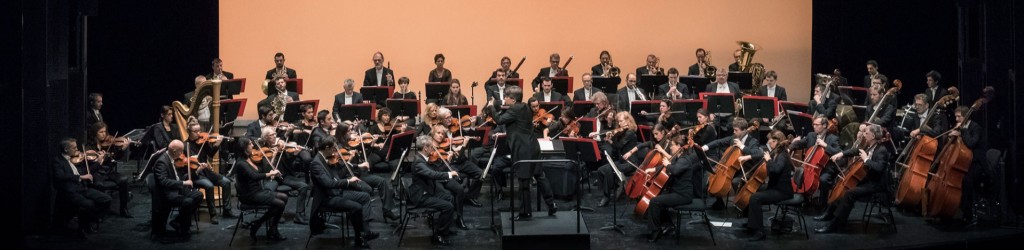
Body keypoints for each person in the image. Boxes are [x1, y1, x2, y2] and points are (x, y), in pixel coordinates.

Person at [816, 124, 892, 233]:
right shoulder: (869, 145)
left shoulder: (882, 150)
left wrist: (866, 160)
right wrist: (840, 154)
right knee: (843, 187)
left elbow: (879, 168)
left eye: (866, 133)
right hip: (867, 180)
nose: (863, 135)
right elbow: (856, 151)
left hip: (876, 184)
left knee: (849, 193)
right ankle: (829, 215)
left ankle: (835, 224)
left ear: (873, 136)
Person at [497, 85, 557, 220]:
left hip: (523, 150)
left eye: (506, 97)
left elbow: (499, 120)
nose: (504, 99)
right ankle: (551, 203)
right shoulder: (524, 107)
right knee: (540, 175)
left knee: (524, 182)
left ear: (512, 99)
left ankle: (525, 212)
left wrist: (490, 107)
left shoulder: (514, 108)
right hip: (533, 146)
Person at [308, 136, 379, 248]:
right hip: (327, 198)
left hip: (336, 192)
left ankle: (366, 232)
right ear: (327, 147)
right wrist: (348, 181)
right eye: (333, 149)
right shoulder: (316, 163)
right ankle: (359, 238)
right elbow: (328, 184)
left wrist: (350, 164)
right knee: (356, 207)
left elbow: (338, 172)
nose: (335, 152)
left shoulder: (326, 157)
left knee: (365, 197)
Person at [736, 130, 793, 241]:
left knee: (755, 197)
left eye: (770, 141)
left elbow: (776, 170)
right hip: (775, 187)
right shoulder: (777, 153)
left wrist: (769, 160)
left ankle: (759, 231)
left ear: (776, 141)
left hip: (782, 191)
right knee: (752, 191)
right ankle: (752, 224)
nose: (768, 144)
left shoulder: (783, 155)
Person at [700, 117, 763, 209]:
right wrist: (705, 147)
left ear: (744, 130)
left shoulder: (753, 141)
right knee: (712, 174)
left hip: (746, 169)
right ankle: (719, 202)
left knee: (735, 181)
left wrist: (742, 147)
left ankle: (743, 204)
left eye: (736, 130)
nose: (734, 132)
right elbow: (719, 142)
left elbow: (757, 154)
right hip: (732, 167)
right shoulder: (734, 138)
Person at [231, 137, 288, 241]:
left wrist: (273, 158)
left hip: (257, 191)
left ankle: (272, 228)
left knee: (284, 197)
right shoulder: (241, 163)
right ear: (244, 147)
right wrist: (269, 174)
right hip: (249, 195)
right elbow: (254, 176)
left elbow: (260, 170)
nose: (253, 145)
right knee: (280, 204)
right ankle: (259, 224)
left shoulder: (249, 158)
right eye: (250, 144)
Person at [644, 133, 698, 242]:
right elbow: (666, 165)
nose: (670, 147)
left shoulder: (685, 160)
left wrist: (668, 164)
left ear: (679, 146)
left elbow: (674, 170)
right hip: (676, 192)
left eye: (672, 145)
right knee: (658, 198)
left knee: (654, 201)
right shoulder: (678, 157)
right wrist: (653, 170)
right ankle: (668, 225)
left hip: (683, 195)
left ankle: (655, 231)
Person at [54, 138, 112, 239]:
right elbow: (60, 176)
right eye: (74, 148)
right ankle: (82, 228)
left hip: (82, 189)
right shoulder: (58, 161)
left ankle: (89, 221)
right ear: (66, 149)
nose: (77, 150)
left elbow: (85, 170)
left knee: (106, 199)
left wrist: (98, 163)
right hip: (70, 191)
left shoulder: (73, 160)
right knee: (89, 204)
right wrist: (80, 177)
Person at [182, 121, 236, 224]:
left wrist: (217, 144)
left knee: (226, 182)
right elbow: (186, 167)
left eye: (199, 130)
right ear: (189, 131)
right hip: (195, 174)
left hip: (206, 171)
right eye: (195, 131)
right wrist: (198, 168)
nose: (198, 133)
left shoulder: (203, 141)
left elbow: (210, 154)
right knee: (210, 186)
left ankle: (227, 210)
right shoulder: (185, 146)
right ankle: (213, 215)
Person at [410, 135, 458, 246]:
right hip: (422, 196)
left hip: (428, 191)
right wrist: (449, 174)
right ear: (425, 148)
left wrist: (447, 162)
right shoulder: (418, 162)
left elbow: (434, 170)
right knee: (448, 206)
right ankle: (439, 235)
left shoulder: (422, 159)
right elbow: (432, 174)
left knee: (449, 197)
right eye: (431, 146)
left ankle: (444, 227)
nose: (433, 148)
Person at [152, 140, 203, 238]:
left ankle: (178, 221)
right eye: (181, 151)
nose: (182, 154)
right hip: (167, 193)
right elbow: (164, 182)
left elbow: (176, 176)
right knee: (188, 202)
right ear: (175, 151)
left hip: (177, 189)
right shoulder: (161, 162)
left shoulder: (173, 158)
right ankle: (184, 226)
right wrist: (183, 183)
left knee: (198, 195)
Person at [83, 122, 132, 218]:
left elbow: (116, 157)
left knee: (124, 180)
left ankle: (124, 209)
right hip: (97, 173)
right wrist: (99, 159)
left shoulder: (109, 143)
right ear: (94, 133)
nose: (104, 134)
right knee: (99, 185)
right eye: (101, 132)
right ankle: (99, 212)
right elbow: (90, 164)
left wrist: (123, 149)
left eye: (105, 131)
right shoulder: (89, 146)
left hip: (108, 172)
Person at [789, 115, 842, 205]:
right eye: (813, 124)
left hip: (826, 167)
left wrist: (825, 145)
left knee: (823, 179)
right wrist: (790, 148)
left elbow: (838, 152)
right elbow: (799, 143)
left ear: (824, 125)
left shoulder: (833, 138)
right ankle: (803, 198)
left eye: (817, 125)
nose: (814, 126)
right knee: (799, 174)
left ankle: (822, 204)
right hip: (811, 165)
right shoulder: (811, 135)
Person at [951, 105, 986, 228]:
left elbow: (971, 143)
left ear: (966, 117)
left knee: (966, 181)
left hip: (976, 163)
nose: (956, 119)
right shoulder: (960, 126)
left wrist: (962, 131)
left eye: (959, 117)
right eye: (956, 116)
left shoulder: (976, 127)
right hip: (964, 162)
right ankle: (956, 209)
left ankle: (969, 215)